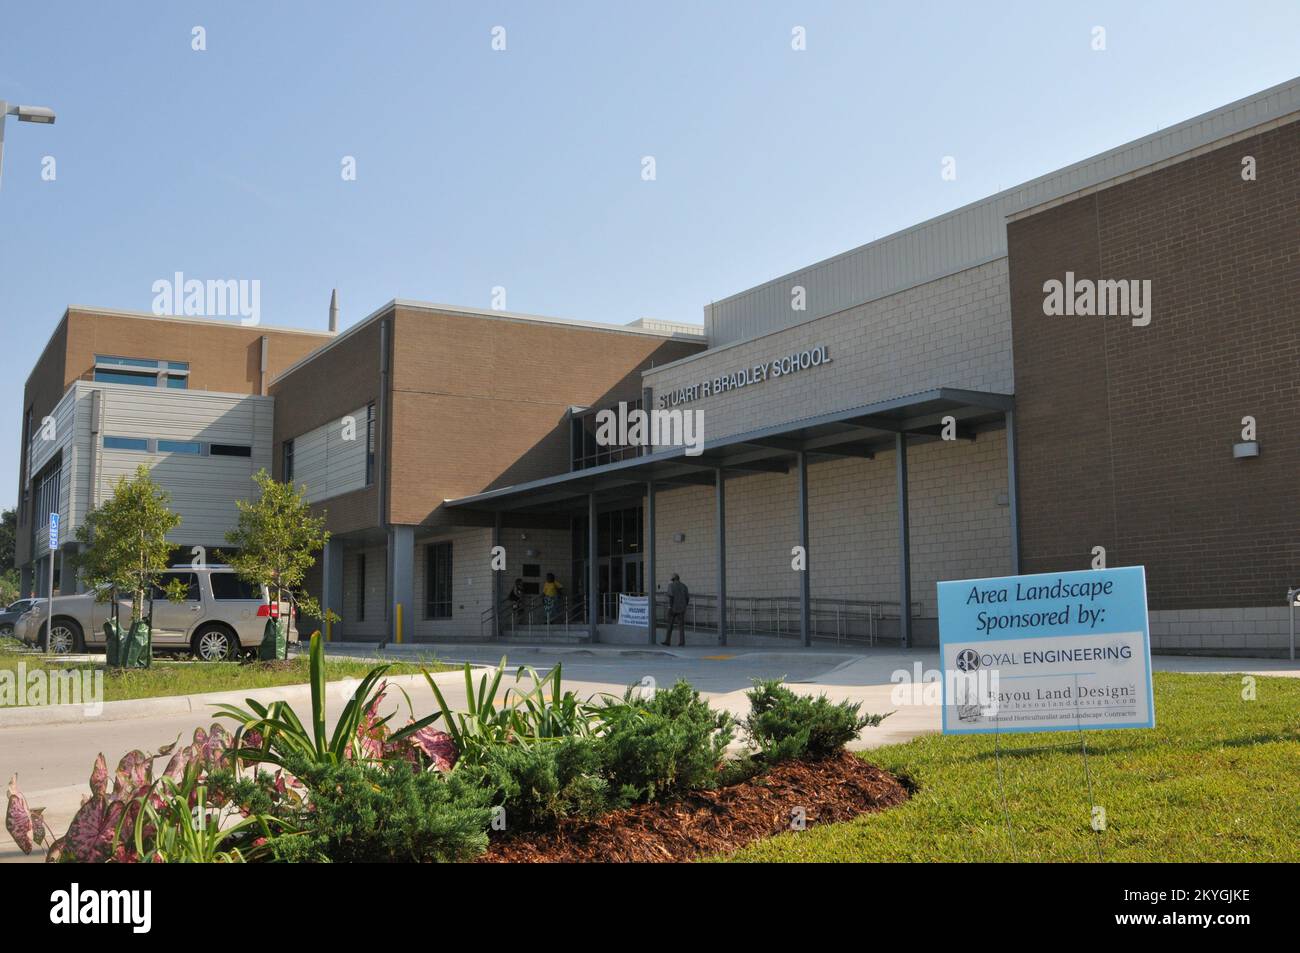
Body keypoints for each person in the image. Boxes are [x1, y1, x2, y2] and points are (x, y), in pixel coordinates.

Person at [661, 573, 689, 646]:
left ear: (673, 579)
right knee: (681, 626)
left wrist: (670, 607)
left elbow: (671, 597)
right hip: (682, 608)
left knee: (670, 625)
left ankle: (667, 641)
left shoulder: (671, 585)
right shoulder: (684, 586)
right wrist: (684, 606)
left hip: (673, 608)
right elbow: (687, 598)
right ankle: (682, 642)